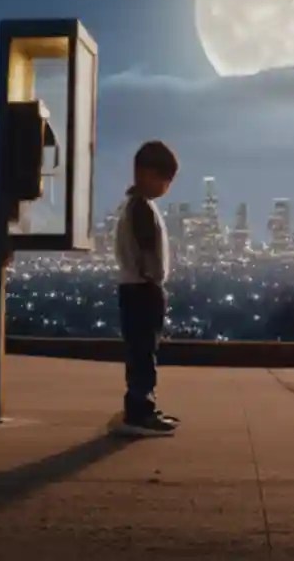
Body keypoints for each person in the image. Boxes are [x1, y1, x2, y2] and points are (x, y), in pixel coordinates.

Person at [113, 140, 180, 437]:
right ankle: (140, 412)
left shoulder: (136, 206)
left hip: (135, 289)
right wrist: (154, 278)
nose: (167, 187)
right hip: (143, 289)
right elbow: (147, 252)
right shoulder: (140, 208)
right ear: (146, 174)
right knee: (144, 351)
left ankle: (142, 406)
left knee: (140, 351)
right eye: (165, 180)